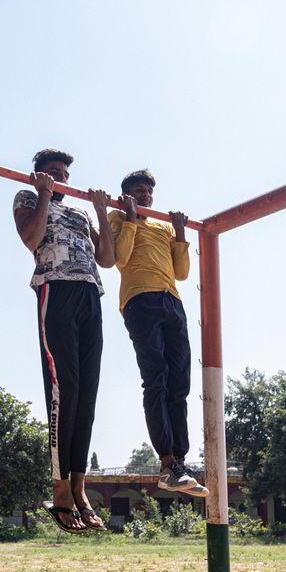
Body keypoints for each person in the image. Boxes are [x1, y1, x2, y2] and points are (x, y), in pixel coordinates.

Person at [13, 148, 116, 533]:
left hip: (90, 294)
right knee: (64, 387)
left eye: (63, 174)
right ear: (38, 175)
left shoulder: (80, 212)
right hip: (55, 290)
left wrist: (103, 214)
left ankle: (79, 485)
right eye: (52, 173)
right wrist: (42, 194)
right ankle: (59, 489)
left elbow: (106, 258)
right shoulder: (27, 198)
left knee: (87, 393)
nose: (59, 179)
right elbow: (30, 238)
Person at [90, 169, 207, 497]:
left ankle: (180, 463)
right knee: (156, 378)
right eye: (138, 191)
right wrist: (129, 218)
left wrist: (181, 234)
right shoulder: (116, 217)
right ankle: (166, 459)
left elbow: (182, 273)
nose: (145, 197)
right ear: (126, 194)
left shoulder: (162, 223)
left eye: (148, 192)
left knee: (180, 382)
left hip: (172, 301)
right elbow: (119, 259)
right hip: (140, 299)